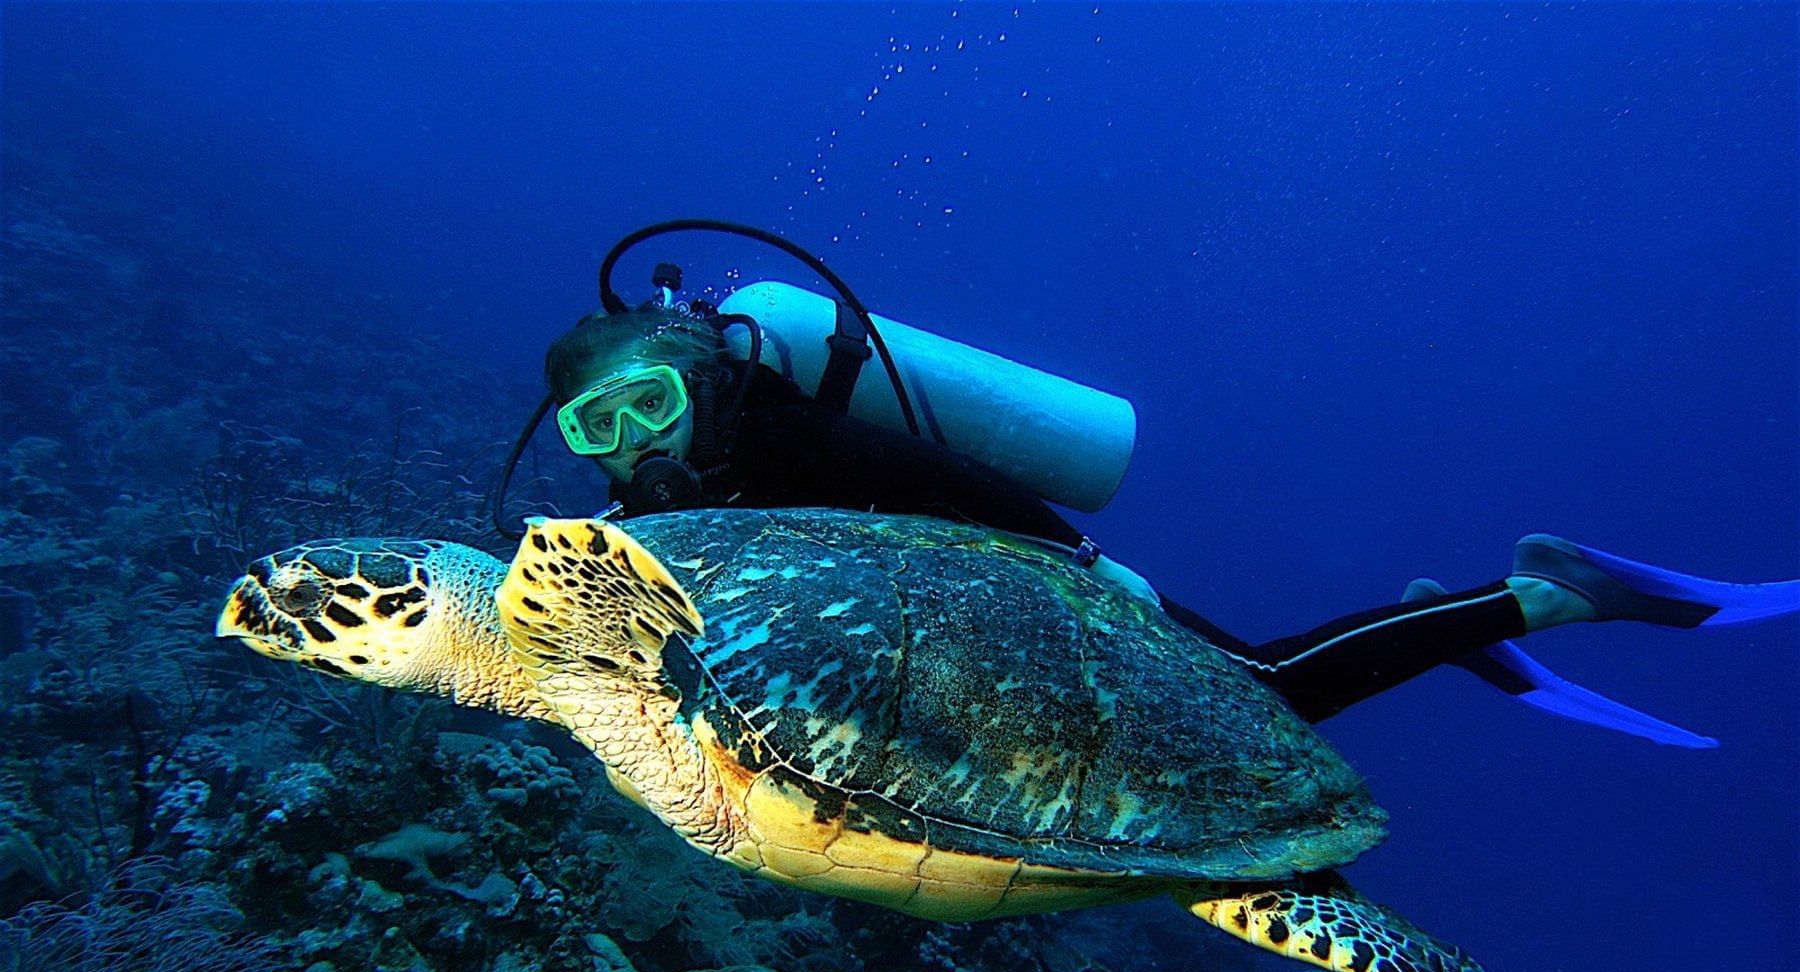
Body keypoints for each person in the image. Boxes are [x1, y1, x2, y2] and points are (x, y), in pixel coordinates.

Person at [495, 231, 1796, 745]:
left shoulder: (787, 440)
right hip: (977, 624)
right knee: (1251, 707)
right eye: (599, 426)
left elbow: (947, 484)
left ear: (700, 384)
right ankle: (1439, 621)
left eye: (651, 404)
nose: (634, 443)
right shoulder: (673, 497)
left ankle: (1537, 592)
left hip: (1045, 575)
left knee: (1266, 700)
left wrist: (1086, 569)